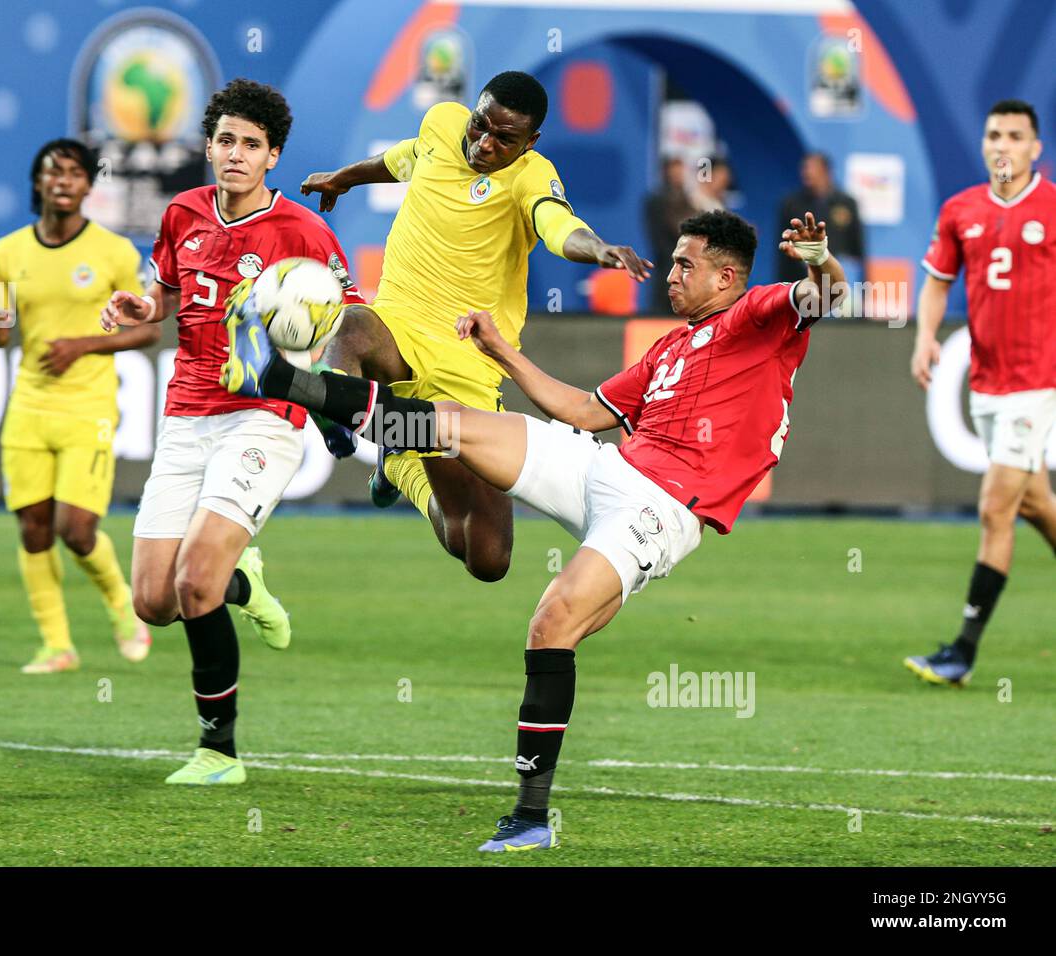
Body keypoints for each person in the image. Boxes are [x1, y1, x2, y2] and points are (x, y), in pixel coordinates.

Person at [221, 209, 846, 850]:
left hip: (661, 508)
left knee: (552, 621)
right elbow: (582, 410)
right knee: (449, 423)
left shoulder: (757, 318)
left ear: (728, 277)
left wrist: (820, 259)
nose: (674, 273)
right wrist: (501, 352)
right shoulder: (669, 347)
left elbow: (827, 294)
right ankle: (280, 380)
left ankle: (530, 816)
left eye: (687, 264)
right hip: (603, 469)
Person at [100, 79, 365, 784]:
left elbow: (353, 319)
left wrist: (333, 400)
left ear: (273, 155)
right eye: (226, 140)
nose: (236, 154)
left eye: (252, 144)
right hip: (187, 416)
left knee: (193, 581)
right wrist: (137, 305)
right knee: (153, 601)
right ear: (209, 146)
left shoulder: (303, 234)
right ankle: (241, 581)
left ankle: (218, 754)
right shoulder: (183, 212)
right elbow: (160, 299)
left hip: (263, 415)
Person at [299, 71, 651, 582]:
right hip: (399, 325)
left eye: (503, 139)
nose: (483, 143)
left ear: (529, 143)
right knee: (351, 329)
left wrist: (597, 249)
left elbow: (557, 224)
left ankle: (399, 459)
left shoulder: (532, 175)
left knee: (484, 555)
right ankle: (341, 420)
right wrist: (343, 178)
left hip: (468, 360)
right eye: (479, 125)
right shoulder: (443, 123)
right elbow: (400, 159)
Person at [0, 138, 157, 674]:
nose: (62, 181)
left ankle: (123, 609)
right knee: (33, 527)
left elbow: (147, 328)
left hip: (89, 406)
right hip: (29, 405)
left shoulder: (114, 253)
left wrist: (83, 344)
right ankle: (57, 645)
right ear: (38, 182)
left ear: (87, 184)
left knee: (76, 530)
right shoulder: (7, 253)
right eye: (52, 172)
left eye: (74, 173)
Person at [905, 99, 1056, 687]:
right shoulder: (960, 210)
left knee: (996, 508)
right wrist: (924, 338)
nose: (1003, 145)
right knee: (1038, 504)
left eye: (1015, 137)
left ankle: (962, 651)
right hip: (987, 384)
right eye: (994, 134)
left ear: (1034, 148)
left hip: (1036, 384)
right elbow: (937, 284)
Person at [776, 152, 864, 287]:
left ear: (825, 172)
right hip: (801, 281)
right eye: (804, 168)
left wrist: (863, 285)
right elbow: (783, 250)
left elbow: (857, 247)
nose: (806, 172)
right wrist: (782, 285)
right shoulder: (791, 204)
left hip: (839, 280)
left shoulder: (846, 203)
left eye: (811, 168)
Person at [644, 156, 698, 313]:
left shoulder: (689, 200)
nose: (678, 174)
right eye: (674, 170)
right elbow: (669, 231)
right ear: (665, 172)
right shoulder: (656, 202)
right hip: (665, 266)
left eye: (680, 170)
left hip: (688, 270)